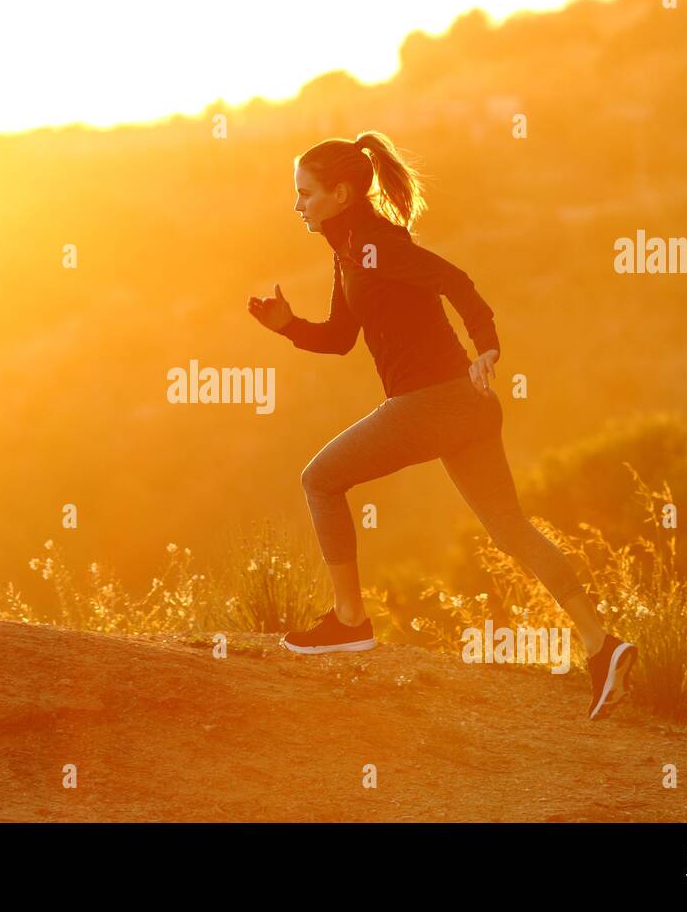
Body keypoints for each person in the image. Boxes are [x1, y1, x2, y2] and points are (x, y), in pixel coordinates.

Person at [247, 130, 637, 720]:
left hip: (432, 403)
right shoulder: (350, 250)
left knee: (320, 480)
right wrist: (286, 325)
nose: (296, 204)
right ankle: (601, 646)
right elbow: (338, 338)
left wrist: (488, 347)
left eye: (305, 193)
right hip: (461, 407)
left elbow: (456, 281)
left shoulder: (378, 244)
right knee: (509, 527)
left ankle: (349, 621)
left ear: (342, 193)